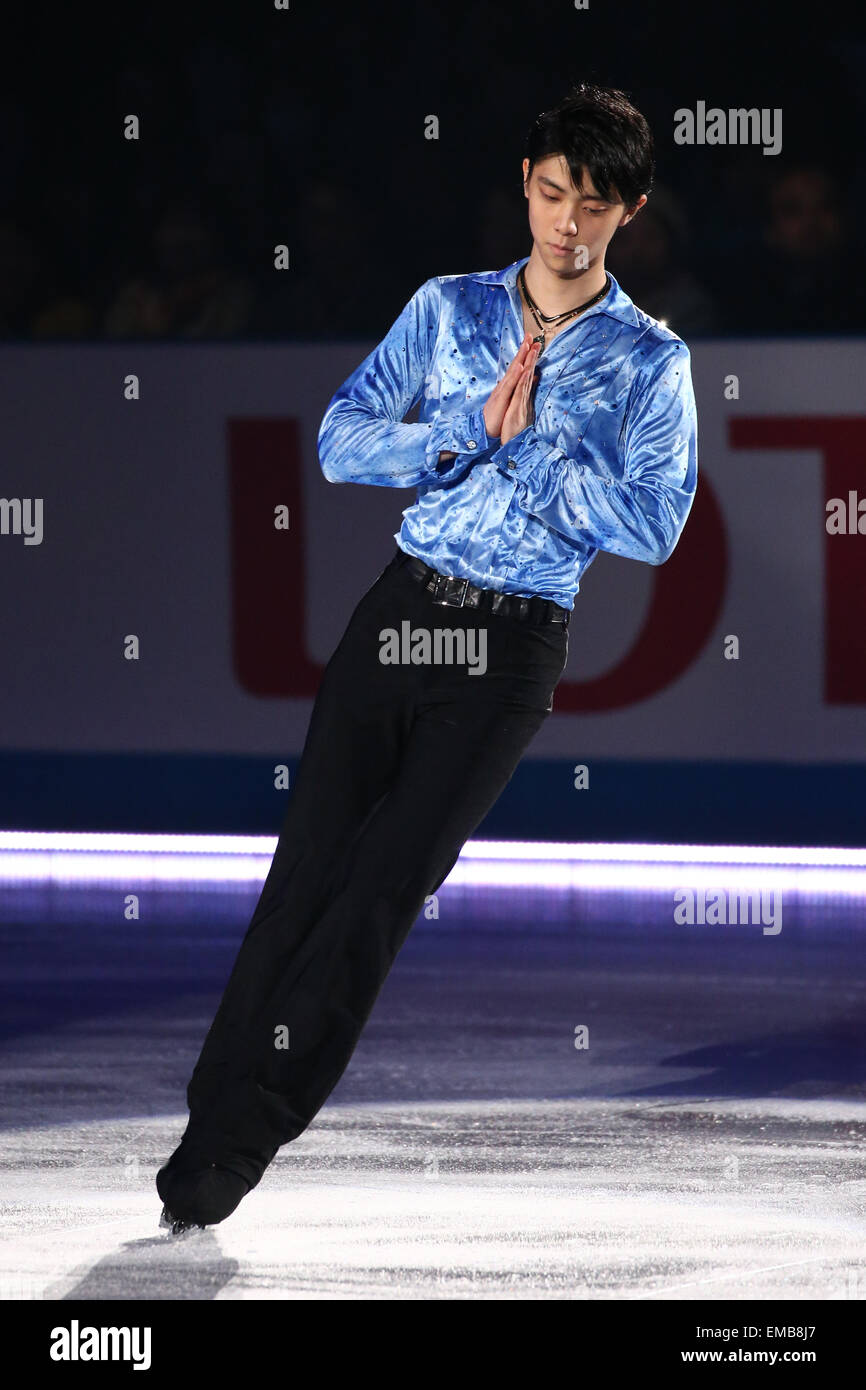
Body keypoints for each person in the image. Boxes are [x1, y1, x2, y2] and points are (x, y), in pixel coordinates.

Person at [156, 81, 699, 1232]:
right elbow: (343, 439)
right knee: (306, 871)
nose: (565, 221)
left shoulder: (650, 362)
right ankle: (209, 1115)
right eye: (551, 192)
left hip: (509, 651)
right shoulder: (447, 311)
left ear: (628, 212)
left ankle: (238, 1143)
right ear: (524, 183)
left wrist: (537, 450)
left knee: (379, 892)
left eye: (592, 205)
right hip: (401, 610)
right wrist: (457, 433)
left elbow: (656, 523)